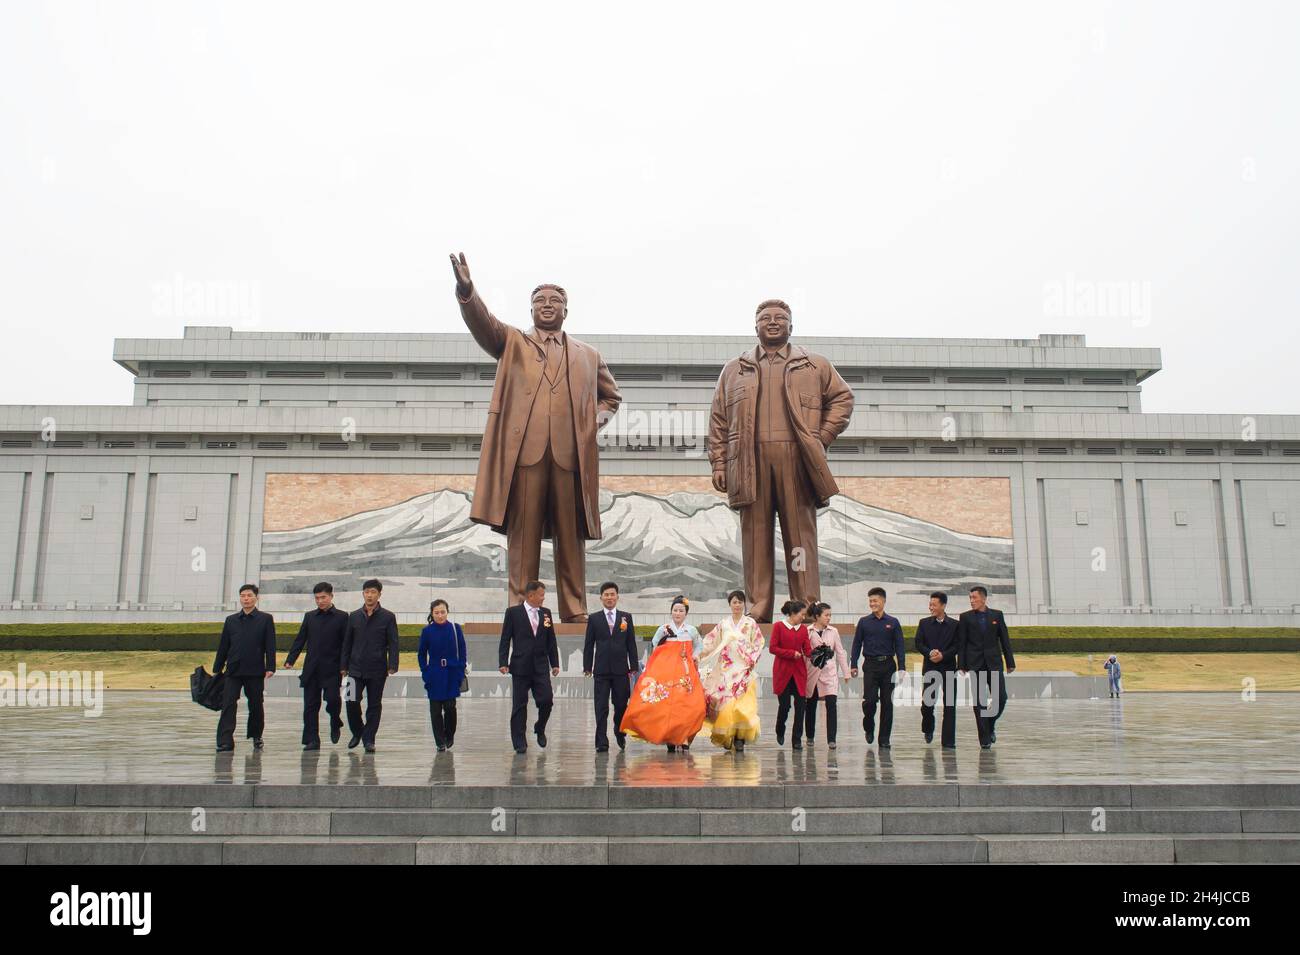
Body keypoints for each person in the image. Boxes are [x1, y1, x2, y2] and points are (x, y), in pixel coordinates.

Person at [449, 253, 622, 623]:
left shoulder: (588, 355)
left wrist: (588, 425)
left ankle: (575, 610)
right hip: (526, 457)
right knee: (523, 540)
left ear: (566, 310)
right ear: (530, 309)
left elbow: (612, 398)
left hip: (569, 460)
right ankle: (520, 610)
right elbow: (484, 325)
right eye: (539, 301)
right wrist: (467, 292)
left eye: (554, 301)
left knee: (571, 539)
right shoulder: (512, 342)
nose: (547, 306)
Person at [706, 299, 855, 622]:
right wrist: (719, 463)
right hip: (749, 462)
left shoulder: (814, 365)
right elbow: (718, 418)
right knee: (755, 538)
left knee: (799, 538)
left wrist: (820, 437)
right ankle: (758, 607)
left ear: (791, 325)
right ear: (755, 325)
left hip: (796, 461)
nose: (772, 322)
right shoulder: (735, 369)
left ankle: (805, 605)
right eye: (765, 318)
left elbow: (843, 399)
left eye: (780, 318)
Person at [622, 596, 706, 752]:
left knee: (688, 704)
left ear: (686, 613)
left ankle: (684, 736)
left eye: (681, 610)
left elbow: (699, 646)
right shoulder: (664, 629)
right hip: (666, 671)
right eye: (675, 610)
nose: (678, 613)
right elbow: (655, 644)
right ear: (671, 612)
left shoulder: (691, 630)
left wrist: (694, 656)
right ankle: (670, 737)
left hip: (685, 671)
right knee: (667, 704)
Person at [283, 581, 348, 750]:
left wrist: (344, 665)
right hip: (312, 668)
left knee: (333, 700)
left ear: (331, 596)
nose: (320, 601)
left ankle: (335, 720)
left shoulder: (342, 617)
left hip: (332, 668)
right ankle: (312, 739)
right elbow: (300, 639)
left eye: (323, 597)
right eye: (317, 598)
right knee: (310, 706)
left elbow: (346, 644)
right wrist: (291, 659)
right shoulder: (310, 616)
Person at [498, 580, 560, 754]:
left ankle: (540, 727)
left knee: (546, 700)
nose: (543, 598)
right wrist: (503, 662)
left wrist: (554, 663)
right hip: (520, 666)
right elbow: (505, 639)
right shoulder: (513, 613)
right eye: (541, 595)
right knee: (519, 705)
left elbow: (551, 640)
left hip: (540, 666)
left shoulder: (546, 614)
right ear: (531, 595)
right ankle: (519, 742)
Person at [213, 583, 276, 752]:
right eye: (243, 596)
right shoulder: (231, 620)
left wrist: (270, 666)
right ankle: (225, 740)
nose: (246, 599)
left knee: (256, 704)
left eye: (249, 595)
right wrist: (217, 667)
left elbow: (270, 645)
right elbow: (224, 645)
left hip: (255, 670)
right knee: (228, 704)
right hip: (233, 670)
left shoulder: (265, 619)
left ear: (256, 598)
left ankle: (256, 736)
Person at [700, 590, 765, 752]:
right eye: (734, 602)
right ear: (730, 604)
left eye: (740, 602)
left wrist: (752, 659)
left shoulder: (750, 624)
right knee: (727, 705)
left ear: (744, 604)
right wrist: (698, 654)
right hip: (726, 670)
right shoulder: (723, 624)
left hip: (743, 669)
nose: (737, 605)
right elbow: (710, 642)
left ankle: (740, 737)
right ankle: (728, 734)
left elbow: (758, 642)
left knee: (742, 706)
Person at [341, 578, 399, 754]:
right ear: (363, 594)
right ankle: (357, 732)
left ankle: (369, 739)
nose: (370, 595)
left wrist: (393, 664)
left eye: (373, 592)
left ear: (379, 594)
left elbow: (393, 642)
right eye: (367, 592)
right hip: (354, 668)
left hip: (377, 669)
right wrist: (343, 665)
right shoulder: (354, 616)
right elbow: (347, 643)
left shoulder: (388, 617)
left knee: (374, 705)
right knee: (350, 701)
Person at [956, 585, 1015, 749]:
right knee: (980, 702)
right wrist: (961, 664)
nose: (972, 601)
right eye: (970, 598)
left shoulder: (997, 615)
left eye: (974, 598)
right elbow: (962, 643)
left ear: (983, 598)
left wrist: (1010, 662)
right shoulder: (965, 617)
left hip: (994, 664)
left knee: (1001, 699)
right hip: (976, 665)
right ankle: (984, 738)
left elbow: (1005, 640)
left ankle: (989, 723)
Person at [582, 581, 639, 752]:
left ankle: (619, 731)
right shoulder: (594, 618)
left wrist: (634, 665)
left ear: (617, 597)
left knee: (621, 704)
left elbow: (631, 644)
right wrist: (587, 666)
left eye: (612, 594)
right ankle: (601, 741)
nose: (609, 597)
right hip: (601, 670)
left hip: (621, 670)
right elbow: (588, 644)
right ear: (601, 598)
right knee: (601, 707)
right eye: (606, 595)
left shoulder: (626, 617)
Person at [850, 587, 905, 749]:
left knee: (888, 704)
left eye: (875, 601)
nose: (872, 604)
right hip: (871, 666)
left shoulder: (893, 622)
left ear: (883, 601)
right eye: (870, 601)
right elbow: (856, 644)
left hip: (888, 666)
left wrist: (902, 667)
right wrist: (853, 664)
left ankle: (884, 738)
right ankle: (869, 726)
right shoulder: (864, 622)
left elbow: (900, 646)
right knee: (870, 701)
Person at [418, 599, 467, 752]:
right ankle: (439, 741)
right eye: (436, 613)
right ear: (432, 614)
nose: (440, 615)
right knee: (435, 709)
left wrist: (460, 669)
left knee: (450, 707)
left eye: (443, 612)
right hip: (434, 673)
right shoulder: (427, 631)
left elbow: (463, 651)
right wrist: (425, 672)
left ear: (447, 612)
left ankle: (449, 734)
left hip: (452, 672)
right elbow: (421, 654)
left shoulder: (455, 628)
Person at [914, 591, 959, 749]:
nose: (930, 607)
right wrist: (929, 652)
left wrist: (944, 655)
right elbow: (918, 643)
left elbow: (957, 645)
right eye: (930, 604)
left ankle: (948, 741)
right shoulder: (924, 623)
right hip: (930, 668)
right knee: (927, 703)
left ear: (943, 605)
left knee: (950, 705)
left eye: (934, 604)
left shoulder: (955, 625)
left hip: (948, 668)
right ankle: (928, 728)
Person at [803, 600, 849, 749]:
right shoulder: (808, 631)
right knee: (810, 705)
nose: (829, 618)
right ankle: (810, 736)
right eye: (826, 615)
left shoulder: (833, 631)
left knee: (831, 705)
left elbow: (840, 652)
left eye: (830, 615)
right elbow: (805, 653)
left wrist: (846, 672)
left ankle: (832, 739)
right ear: (817, 616)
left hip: (829, 673)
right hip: (813, 672)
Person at [770, 599, 812, 750]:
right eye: (802, 614)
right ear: (793, 613)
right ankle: (780, 729)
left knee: (801, 706)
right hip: (783, 671)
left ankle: (797, 739)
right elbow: (773, 648)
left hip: (799, 672)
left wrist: (817, 654)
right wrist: (790, 653)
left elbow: (807, 650)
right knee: (785, 705)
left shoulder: (803, 629)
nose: (803, 617)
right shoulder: (779, 627)